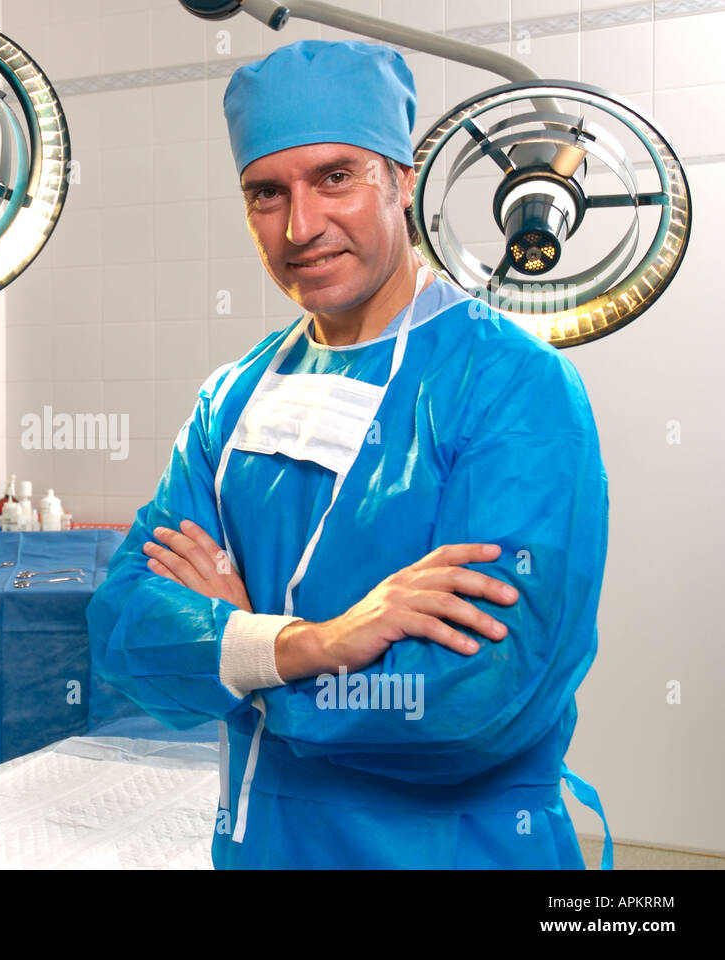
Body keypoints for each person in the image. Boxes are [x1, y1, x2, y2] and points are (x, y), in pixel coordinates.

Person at [87, 41, 613, 869]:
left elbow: (477, 699)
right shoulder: (232, 397)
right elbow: (124, 626)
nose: (301, 227)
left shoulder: (512, 386)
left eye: (336, 177)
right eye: (267, 192)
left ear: (403, 179)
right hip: (263, 846)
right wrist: (319, 643)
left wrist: (241, 656)